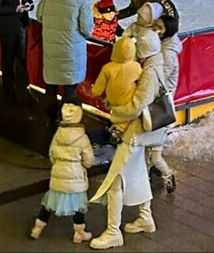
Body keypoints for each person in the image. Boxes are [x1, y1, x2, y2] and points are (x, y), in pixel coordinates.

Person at [90, 31, 163, 247]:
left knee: (116, 176)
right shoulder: (148, 66)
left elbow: (137, 105)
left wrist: (115, 111)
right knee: (138, 172)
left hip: (135, 131)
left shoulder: (148, 71)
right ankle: (145, 217)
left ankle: (113, 231)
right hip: (139, 131)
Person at [122, 3, 181, 192]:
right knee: (148, 150)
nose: (155, 29)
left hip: (160, 109)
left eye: (160, 28)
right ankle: (146, 179)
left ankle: (167, 175)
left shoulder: (166, 55)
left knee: (155, 154)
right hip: (155, 106)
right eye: (156, 25)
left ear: (167, 33)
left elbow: (158, 83)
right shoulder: (158, 47)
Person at [36, 0, 94, 127]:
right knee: (69, 90)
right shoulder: (80, 0)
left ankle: (49, 118)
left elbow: (40, 15)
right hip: (71, 52)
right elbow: (87, 28)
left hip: (52, 50)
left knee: (51, 88)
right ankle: (67, 121)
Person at [30, 100, 94, 243]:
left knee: (48, 204)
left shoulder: (57, 135)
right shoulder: (83, 138)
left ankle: (37, 227)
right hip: (75, 178)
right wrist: (84, 166)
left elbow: (52, 153)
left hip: (58, 175)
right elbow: (88, 159)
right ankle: (79, 233)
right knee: (79, 207)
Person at [91, 37, 143, 120]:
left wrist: (94, 93)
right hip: (128, 99)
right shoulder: (136, 67)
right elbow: (141, 81)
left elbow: (100, 85)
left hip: (112, 99)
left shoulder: (108, 67)